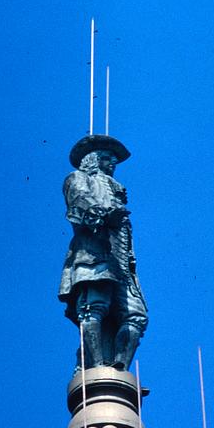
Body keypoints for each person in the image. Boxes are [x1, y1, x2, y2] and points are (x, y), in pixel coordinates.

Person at [58, 134, 148, 372]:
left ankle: (119, 367)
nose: (113, 163)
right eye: (107, 158)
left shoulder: (117, 193)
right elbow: (79, 203)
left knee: (136, 316)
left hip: (122, 267)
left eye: (114, 160)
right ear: (93, 160)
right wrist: (105, 215)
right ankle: (96, 366)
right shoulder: (78, 178)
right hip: (93, 257)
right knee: (93, 307)